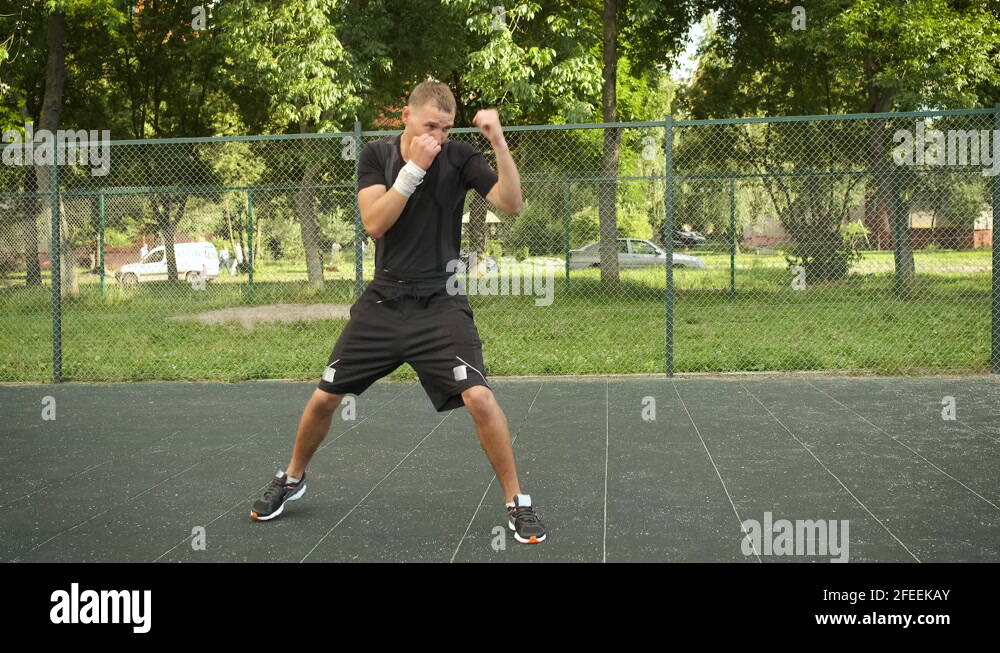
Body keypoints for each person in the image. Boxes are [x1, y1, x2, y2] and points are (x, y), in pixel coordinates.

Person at [250, 80, 546, 544]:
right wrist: (414, 170)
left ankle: (517, 503)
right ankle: (291, 478)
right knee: (326, 397)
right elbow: (374, 223)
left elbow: (511, 205)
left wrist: (499, 142)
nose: (439, 137)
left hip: (440, 303)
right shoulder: (376, 156)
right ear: (406, 117)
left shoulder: (461, 157)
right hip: (383, 303)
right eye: (431, 125)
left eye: (446, 128)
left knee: (480, 397)